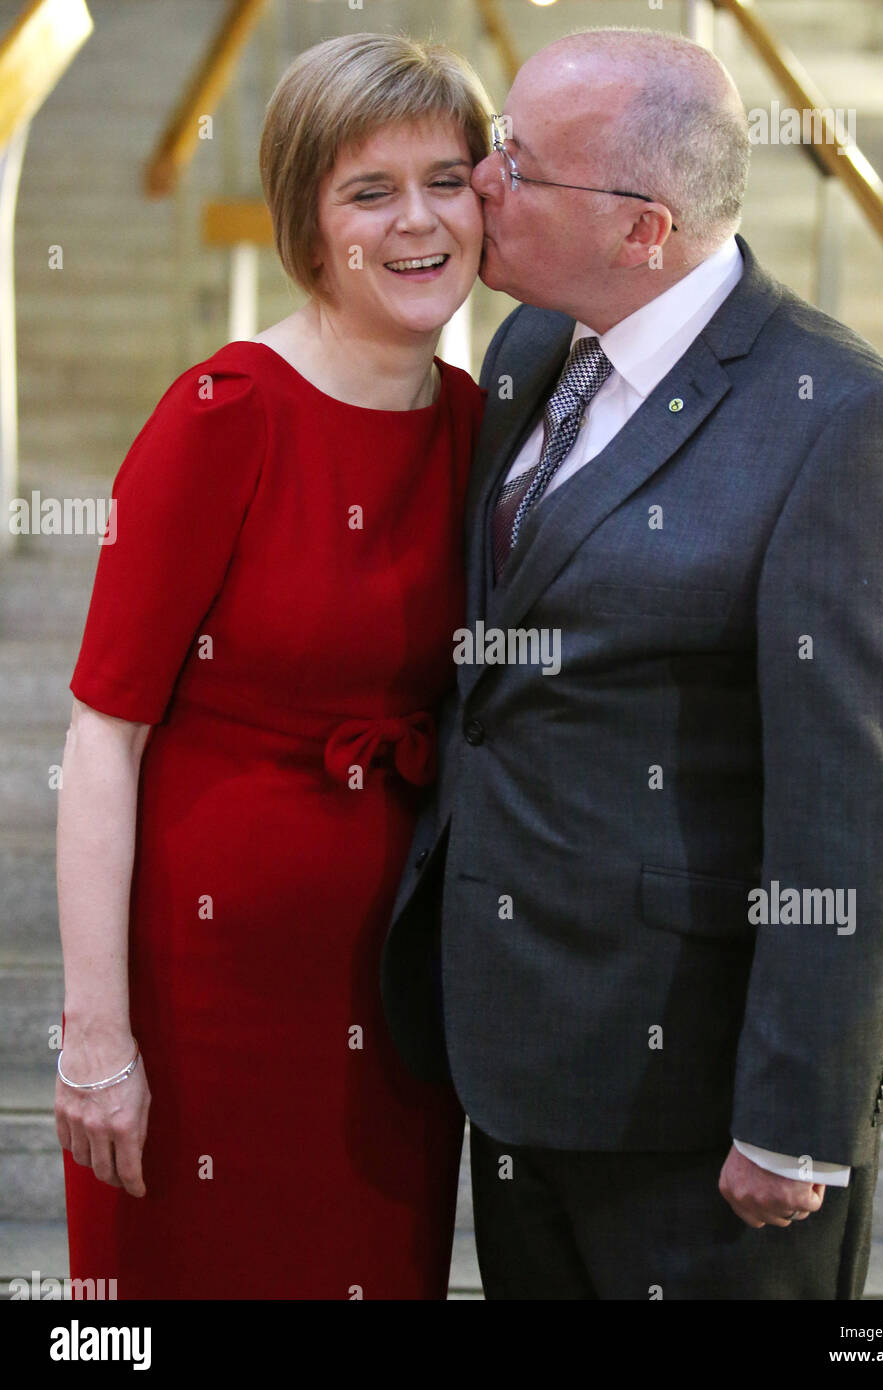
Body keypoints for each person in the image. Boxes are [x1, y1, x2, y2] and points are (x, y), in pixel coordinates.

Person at [381, 27, 883, 1300]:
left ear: (644, 228)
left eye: (516, 167)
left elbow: (855, 804)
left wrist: (794, 1111)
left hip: (705, 1104)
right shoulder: (531, 350)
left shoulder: (847, 426)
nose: (477, 184)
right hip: (524, 1052)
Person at [56, 32, 489, 1299]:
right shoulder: (224, 413)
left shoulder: (481, 422)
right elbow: (102, 735)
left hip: (396, 1000)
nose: (418, 220)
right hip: (208, 997)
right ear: (307, 220)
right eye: (370, 189)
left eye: (447, 179)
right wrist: (95, 1038)